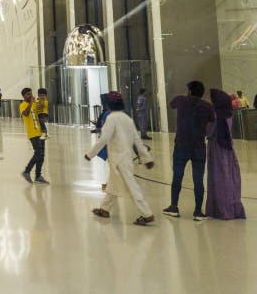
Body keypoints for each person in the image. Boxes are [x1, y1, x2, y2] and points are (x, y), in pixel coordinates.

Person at [85, 92, 156, 225]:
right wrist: (147, 158)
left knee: (132, 187)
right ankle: (105, 209)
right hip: (125, 158)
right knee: (112, 185)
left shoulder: (111, 118)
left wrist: (90, 154)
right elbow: (137, 140)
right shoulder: (127, 119)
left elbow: (104, 138)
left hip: (118, 160)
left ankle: (147, 214)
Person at [163, 80, 214, 220]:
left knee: (177, 176)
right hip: (199, 146)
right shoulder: (207, 106)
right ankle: (198, 211)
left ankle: (173, 207)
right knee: (198, 179)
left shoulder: (180, 100)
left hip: (181, 144)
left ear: (190, 91)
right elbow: (212, 120)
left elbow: (169, 105)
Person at [206, 89, 246, 220]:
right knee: (230, 176)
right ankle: (233, 207)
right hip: (228, 149)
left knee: (219, 177)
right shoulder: (228, 114)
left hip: (217, 148)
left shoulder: (215, 115)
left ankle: (222, 209)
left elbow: (210, 132)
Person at [20, 88, 49, 184]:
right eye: (28, 94)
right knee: (38, 152)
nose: (30, 96)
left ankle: (38, 176)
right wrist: (30, 103)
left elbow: (41, 108)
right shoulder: (23, 105)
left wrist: (41, 100)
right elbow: (25, 113)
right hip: (32, 134)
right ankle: (27, 171)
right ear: (23, 96)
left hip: (40, 132)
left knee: (42, 155)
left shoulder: (34, 103)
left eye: (31, 94)